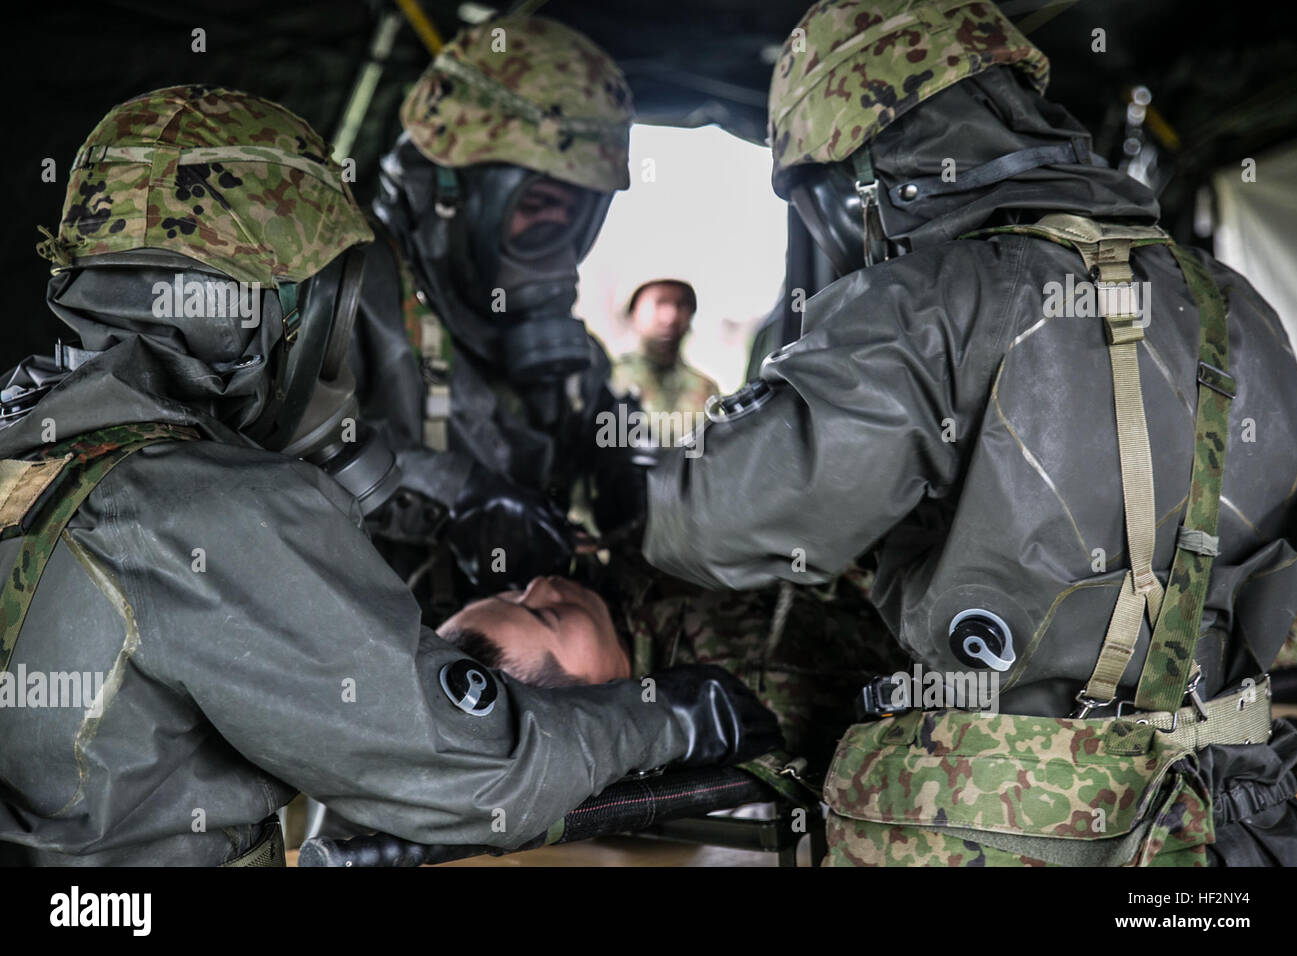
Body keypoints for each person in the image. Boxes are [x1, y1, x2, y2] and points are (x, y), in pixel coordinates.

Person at [0, 85, 779, 866]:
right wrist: (676, 717)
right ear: (266, 313)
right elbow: (475, 772)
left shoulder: (32, 441)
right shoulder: (216, 510)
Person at [642, 0, 1297, 866]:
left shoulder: (931, 302)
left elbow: (715, 518)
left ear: (862, 179)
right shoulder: (1237, 306)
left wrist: (620, 467)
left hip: (1007, 819)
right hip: (1224, 815)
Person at [350, 15, 648, 601]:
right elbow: (266, 465)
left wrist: (628, 461)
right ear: (448, 191)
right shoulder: (338, 293)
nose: (556, 233)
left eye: (577, 211)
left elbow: (603, 429)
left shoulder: (573, 360)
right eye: (537, 202)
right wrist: (454, 494)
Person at [438, 554, 905, 768]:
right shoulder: (750, 682)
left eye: (508, 593)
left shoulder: (619, 611)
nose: (539, 580)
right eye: (546, 614)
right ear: (583, 701)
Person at [611, 279, 719, 418]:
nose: (671, 316)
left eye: (681, 305)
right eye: (660, 302)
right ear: (634, 309)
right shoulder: (608, 380)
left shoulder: (706, 390)